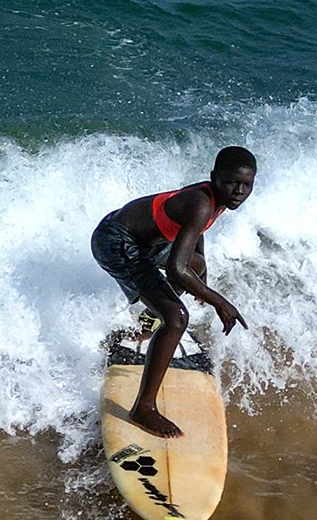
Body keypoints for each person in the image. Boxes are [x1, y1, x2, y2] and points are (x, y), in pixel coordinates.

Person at [89, 146, 257, 438]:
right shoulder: (202, 202)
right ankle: (143, 409)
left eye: (247, 184)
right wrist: (219, 302)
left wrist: (202, 276)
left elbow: (196, 237)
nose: (239, 191)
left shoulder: (214, 198)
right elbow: (178, 270)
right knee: (178, 317)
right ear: (214, 177)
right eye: (232, 182)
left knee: (196, 265)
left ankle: (149, 323)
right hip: (116, 243)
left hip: (140, 239)